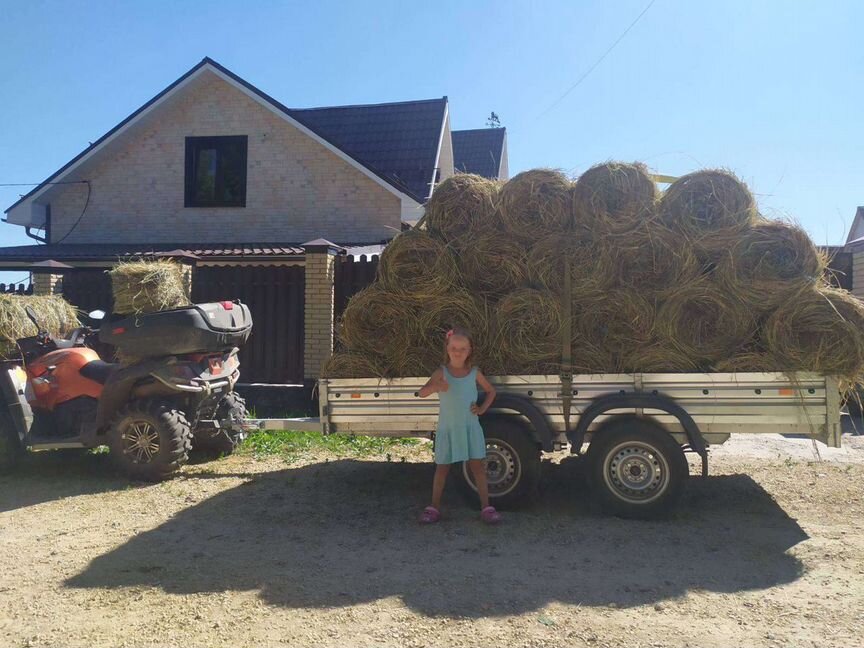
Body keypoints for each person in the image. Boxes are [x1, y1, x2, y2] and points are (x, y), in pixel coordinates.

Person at [417, 327, 500, 524]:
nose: (458, 352)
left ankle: (486, 508)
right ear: (447, 348)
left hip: (470, 427)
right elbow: (421, 392)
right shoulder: (442, 372)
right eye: (454, 348)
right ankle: (434, 507)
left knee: (477, 468)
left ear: (470, 350)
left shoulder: (474, 373)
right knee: (442, 469)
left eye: (463, 349)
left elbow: (491, 391)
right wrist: (436, 386)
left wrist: (482, 409)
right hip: (448, 429)